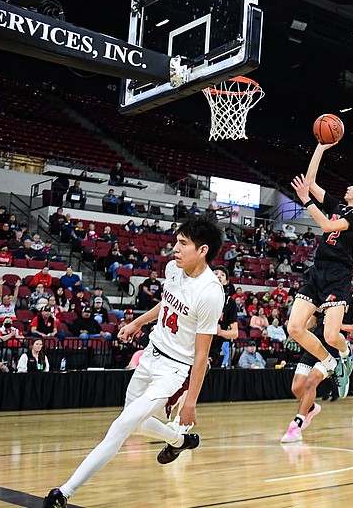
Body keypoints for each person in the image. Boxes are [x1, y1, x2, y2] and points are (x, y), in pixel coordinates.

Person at [43, 217, 224, 508]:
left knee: (122, 425)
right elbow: (166, 303)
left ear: (202, 250)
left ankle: (64, 492)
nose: (174, 248)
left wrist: (191, 402)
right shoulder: (173, 269)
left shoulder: (211, 293)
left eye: (182, 243)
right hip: (151, 355)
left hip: (174, 370)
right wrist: (138, 322)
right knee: (135, 422)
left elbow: (201, 355)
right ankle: (179, 441)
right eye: (176, 241)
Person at [285, 141, 353, 400]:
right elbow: (312, 182)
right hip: (318, 270)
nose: (350, 186)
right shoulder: (339, 207)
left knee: (330, 333)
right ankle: (331, 363)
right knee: (294, 328)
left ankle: (345, 356)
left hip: (338, 275)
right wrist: (320, 147)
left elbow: (327, 226)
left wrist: (305, 201)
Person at [279, 289, 353, 444]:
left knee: (311, 381)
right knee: (296, 387)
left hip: (332, 347)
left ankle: (296, 426)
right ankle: (311, 408)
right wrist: (297, 330)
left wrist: (339, 326)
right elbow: (313, 320)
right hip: (314, 344)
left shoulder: (352, 297)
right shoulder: (321, 293)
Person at [210, 266, 240, 368]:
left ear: (226, 282)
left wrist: (221, 332)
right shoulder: (199, 294)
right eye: (216, 273)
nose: (218, 276)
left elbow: (235, 333)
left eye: (222, 275)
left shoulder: (229, 302)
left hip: (212, 348)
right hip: (192, 343)